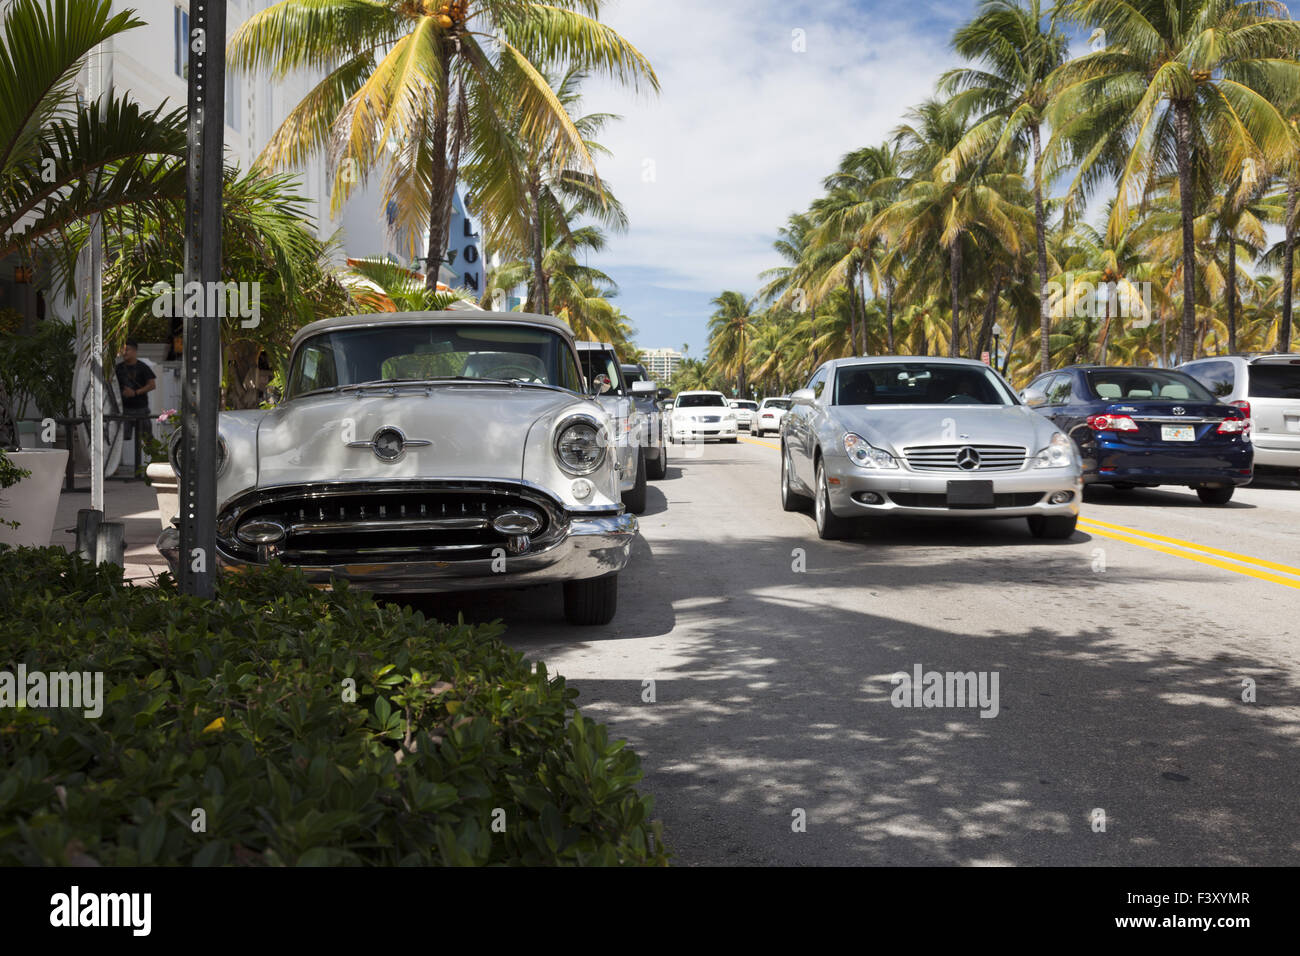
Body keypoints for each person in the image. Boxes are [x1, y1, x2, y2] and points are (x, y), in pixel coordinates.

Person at [115, 339, 156, 453]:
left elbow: (152, 385)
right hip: (124, 409)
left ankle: (156, 462)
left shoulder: (143, 367)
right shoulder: (118, 368)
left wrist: (135, 392)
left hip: (141, 409)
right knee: (118, 439)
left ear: (134, 351)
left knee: (148, 439)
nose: (124, 353)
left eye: (127, 350)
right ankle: (114, 466)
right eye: (122, 350)